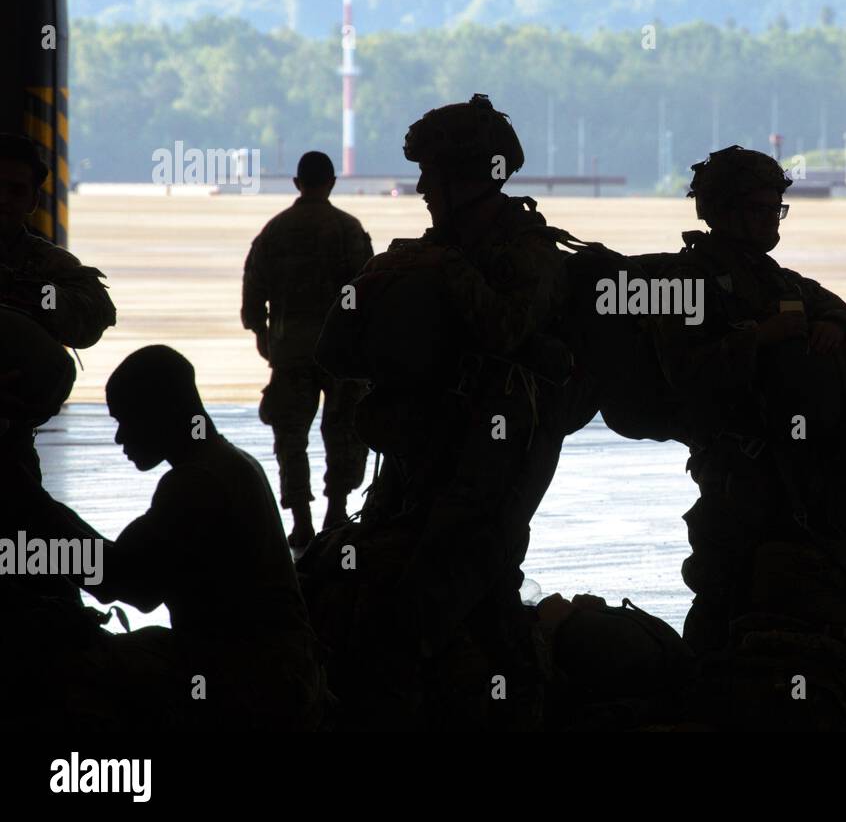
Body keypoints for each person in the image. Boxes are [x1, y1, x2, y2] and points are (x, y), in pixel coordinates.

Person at [310, 95, 570, 722]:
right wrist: (371, 284)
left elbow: (506, 328)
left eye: (433, 174)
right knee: (375, 585)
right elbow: (334, 350)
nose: (422, 186)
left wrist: (445, 267)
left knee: (445, 598)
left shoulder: (525, 250)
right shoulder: (423, 251)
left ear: (472, 179)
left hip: (494, 463)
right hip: (417, 458)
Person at [652, 145, 846, 654]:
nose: (772, 220)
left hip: (811, 473)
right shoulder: (684, 283)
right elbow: (688, 372)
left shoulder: (781, 280)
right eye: (759, 209)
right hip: (738, 470)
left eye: (776, 208)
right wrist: (762, 336)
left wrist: (832, 325)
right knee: (729, 587)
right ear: (720, 212)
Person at [33, 346, 325, 729]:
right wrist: (45, 513)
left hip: (256, 682)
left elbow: (126, 583)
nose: (120, 437)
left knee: (70, 671)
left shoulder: (196, 484)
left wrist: (35, 526)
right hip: (282, 671)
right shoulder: (225, 463)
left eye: (127, 420)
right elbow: (124, 564)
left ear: (161, 411)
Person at [241, 150, 372, 547]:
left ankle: (301, 520)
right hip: (341, 352)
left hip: (290, 349)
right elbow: (365, 290)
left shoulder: (275, 231)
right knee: (344, 428)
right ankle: (336, 509)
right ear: (332, 182)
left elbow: (253, 292)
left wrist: (262, 334)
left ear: (297, 183)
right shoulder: (348, 230)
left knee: (291, 435)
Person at [0, 133, 116, 482]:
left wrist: (34, 295)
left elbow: (93, 317)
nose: (3, 199)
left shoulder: (45, 265)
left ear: (34, 199)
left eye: (17, 190)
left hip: (10, 450)